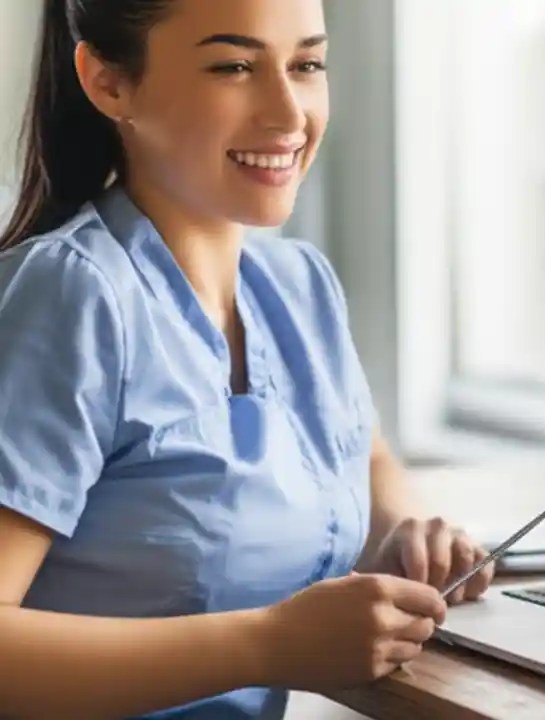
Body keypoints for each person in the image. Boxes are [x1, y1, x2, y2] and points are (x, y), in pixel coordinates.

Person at [0, 1, 494, 718]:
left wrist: (410, 531)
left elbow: (363, 455)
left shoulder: (300, 287)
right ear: (108, 82)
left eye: (307, 65)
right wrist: (267, 645)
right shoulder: (72, 296)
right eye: (233, 66)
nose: (289, 113)